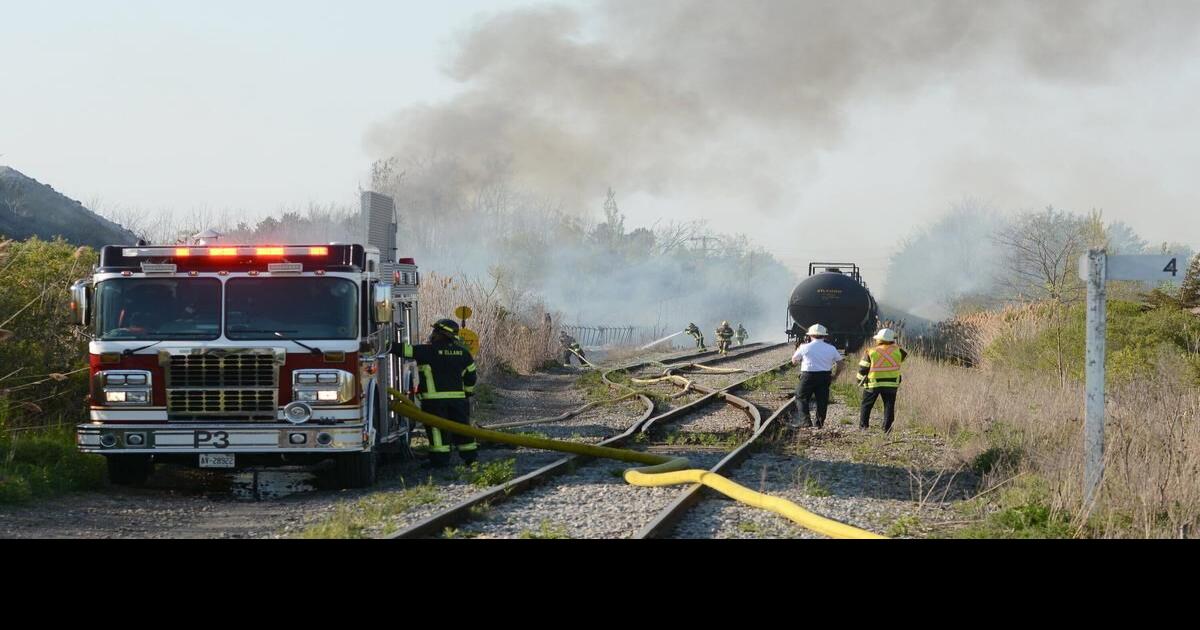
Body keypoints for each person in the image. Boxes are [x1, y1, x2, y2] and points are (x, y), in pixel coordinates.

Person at [393, 318, 478, 467]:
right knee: (462, 428)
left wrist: (384, 344)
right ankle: (470, 458)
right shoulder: (463, 353)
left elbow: (404, 350)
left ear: (440, 333)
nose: (432, 334)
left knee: (437, 431)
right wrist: (467, 392)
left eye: (435, 331)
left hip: (434, 402)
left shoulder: (427, 351)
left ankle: (440, 460)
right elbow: (471, 375)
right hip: (458, 401)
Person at [789, 324, 843, 429]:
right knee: (822, 400)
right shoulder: (831, 348)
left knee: (801, 397)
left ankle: (805, 421)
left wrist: (798, 352)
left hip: (807, 376)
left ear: (810, 335)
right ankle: (819, 423)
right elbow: (841, 364)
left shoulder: (804, 347)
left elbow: (794, 361)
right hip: (824, 376)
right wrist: (835, 376)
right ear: (824, 336)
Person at [856, 328, 908, 433]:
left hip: (873, 383)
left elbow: (863, 368)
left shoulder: (870, 351)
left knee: (867, 405)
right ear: (892, 339)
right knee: (889, 406)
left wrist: (859, 380)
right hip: (891, 383)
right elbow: (900, 359)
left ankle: (863, 427)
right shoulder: (900, 351)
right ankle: (887, 429)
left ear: (879, 340)